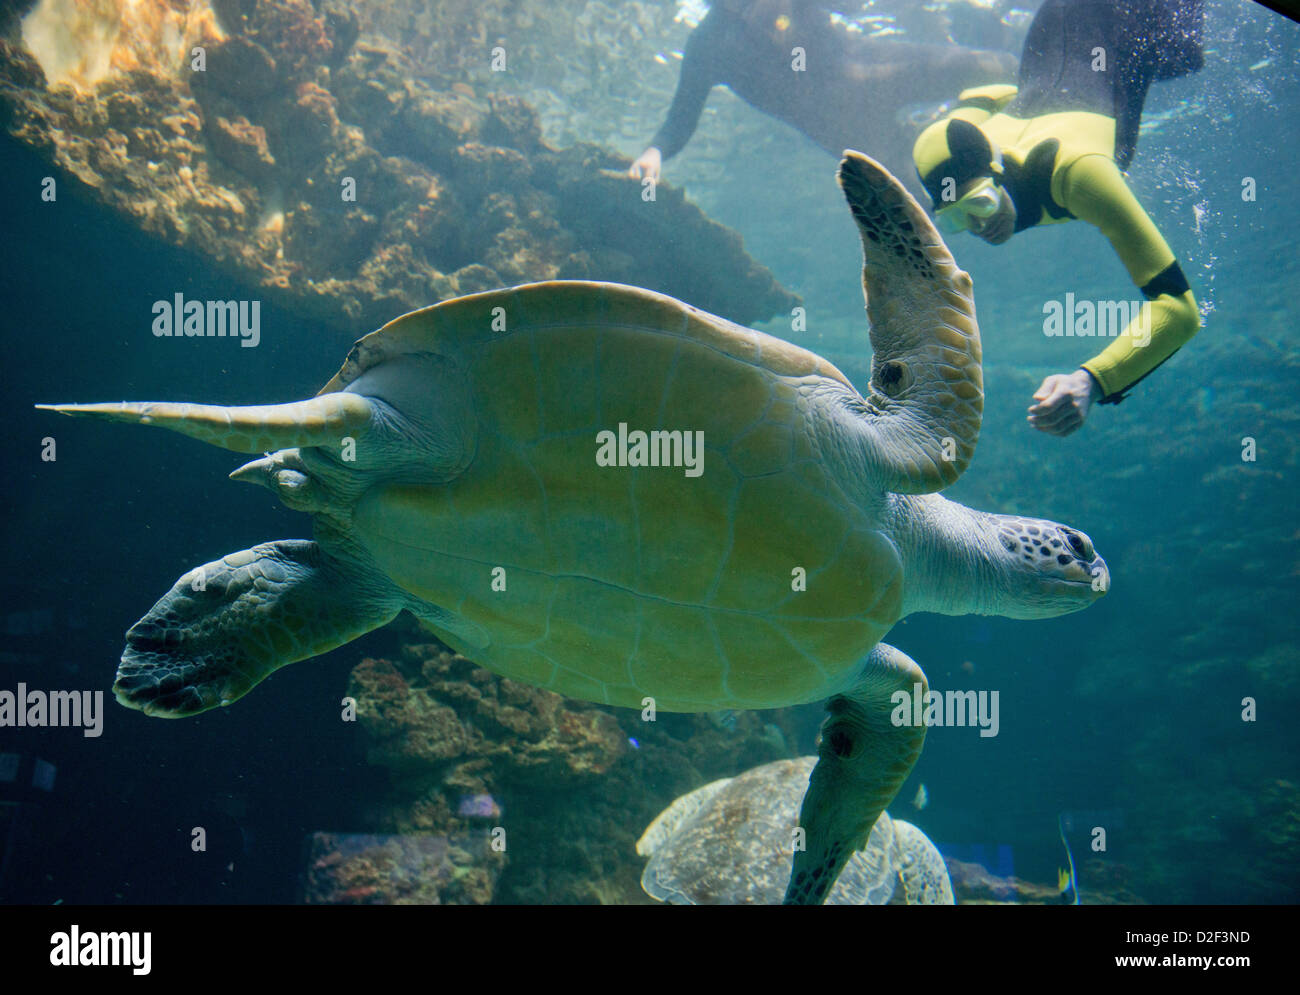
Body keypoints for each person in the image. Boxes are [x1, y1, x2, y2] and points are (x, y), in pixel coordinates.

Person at [911, 0, 1205, 436]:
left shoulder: (1079, 172)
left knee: (1184, 57)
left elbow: (1180, 309)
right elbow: (981, 98)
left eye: (980, 204)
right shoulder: (976, 132)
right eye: (956, 219)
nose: (978, 226)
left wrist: (1091, 380)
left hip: (1118, 16)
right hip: (1054, 26)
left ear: (998, 169)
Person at [629, 0, 1017, 197]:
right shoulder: (708, 45)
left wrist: (925, 16)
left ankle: (1054, 94)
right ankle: (1011, 173)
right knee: (931, 199)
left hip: (877, 68)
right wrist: (655, 152)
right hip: (843, 129)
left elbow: (854, 5)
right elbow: (681, 116)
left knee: (1000, 68)